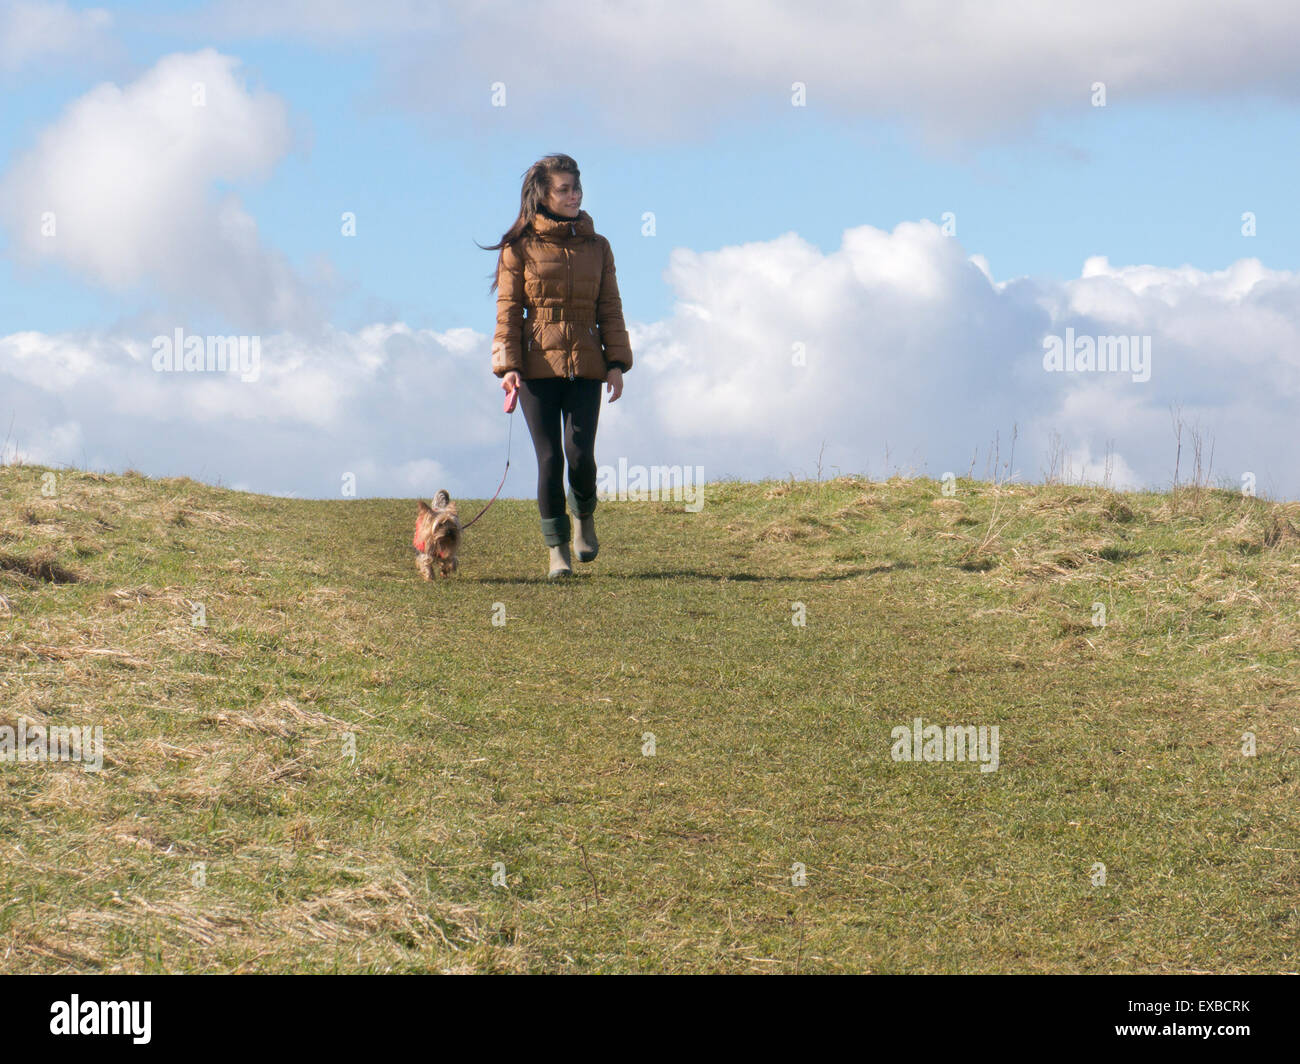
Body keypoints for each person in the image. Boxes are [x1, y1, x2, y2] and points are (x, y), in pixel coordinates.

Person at [480, 154, 633, 579]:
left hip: (587, 363)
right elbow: (508, 310)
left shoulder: (599, 247)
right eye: (564, 189)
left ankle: (584, 515)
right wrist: (508, 365)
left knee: (579, 455)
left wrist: (617, 363)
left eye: (576, 188)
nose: (573, 195)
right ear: (543, 195)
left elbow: (610, 308)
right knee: (550, 460)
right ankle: (557, 551)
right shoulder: (519, 247)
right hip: (536, 368)